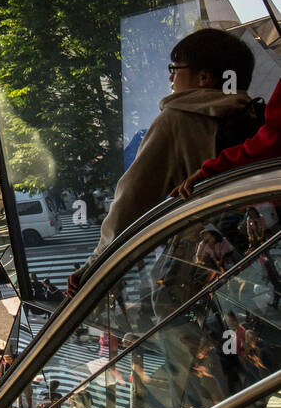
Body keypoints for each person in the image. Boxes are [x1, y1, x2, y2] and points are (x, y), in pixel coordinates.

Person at [71, 29, 256, 285]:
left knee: (172, 314)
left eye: (175, 67)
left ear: (203, 77)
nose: (170, 76)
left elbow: (132, 201)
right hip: (252, 250)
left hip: (198, 264)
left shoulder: (177, 119)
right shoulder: (253, 113)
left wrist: (95, 265)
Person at [175, 78, 280, 198]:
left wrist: (210, 170)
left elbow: (270, 143)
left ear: (204, 78)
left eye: (174, 70)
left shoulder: (173, 118)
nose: (171, 78)